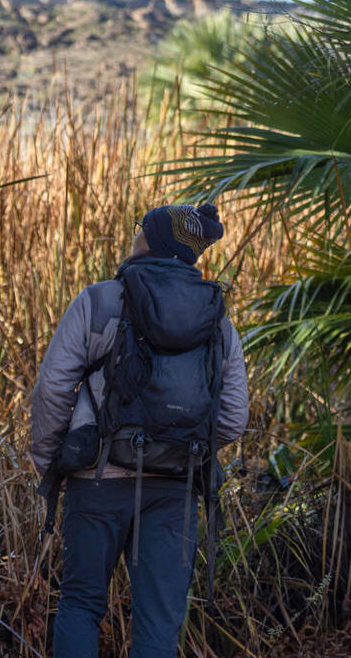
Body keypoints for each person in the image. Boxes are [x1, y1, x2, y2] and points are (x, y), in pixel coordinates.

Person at [31, 202, 249, 658]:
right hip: (176, 488)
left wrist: (52, 460)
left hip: (97, 479)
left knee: (81, 605)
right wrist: (183, 449)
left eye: (140, 229)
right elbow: (232, 418)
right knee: (158, 624)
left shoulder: (99, 300)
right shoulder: (218, 320)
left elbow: (52, 389)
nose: (134, 235)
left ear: (152, 240)